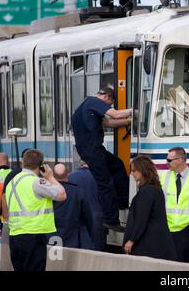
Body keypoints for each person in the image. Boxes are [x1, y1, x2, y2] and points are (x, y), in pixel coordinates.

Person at [71, 87, 133, 230]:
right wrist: (135, 112)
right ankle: (111, 220)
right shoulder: (93, 101)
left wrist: (129, 122)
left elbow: (109, 123)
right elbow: (115, 115)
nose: (109, 106)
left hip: (95, 149)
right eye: (110, 103)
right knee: (105, 182)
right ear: (106, 97)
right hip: (91, 150)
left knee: (117, 165)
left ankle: (123, 202)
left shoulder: (88, 106)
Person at [6, 149, 66, 271]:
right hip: (33, 236)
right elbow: (62, 195)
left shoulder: (12, 182)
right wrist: (50, 176)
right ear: (41, 165)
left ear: (23, 162)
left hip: (14, 236)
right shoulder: (36, 182)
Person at [123, 156, 177, 260]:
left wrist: (131, 240)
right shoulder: (156, 189)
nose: (132, 174)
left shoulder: (146, 192)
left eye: (134, 170)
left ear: (143, 170)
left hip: (148, 242)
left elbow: (141, 219)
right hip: (158, 241)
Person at [47, 164, 94, 249]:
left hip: (52, 236)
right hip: (72, 238)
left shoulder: (47, 192)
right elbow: (88, 217)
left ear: (53, 175)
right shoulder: (78, 192)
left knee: (54, 260)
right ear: (68, 174)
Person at [69, 160, 105, 251]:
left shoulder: (71, 176)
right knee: (97, 246)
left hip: (77, 215)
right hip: (96, 215)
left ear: (80, 163)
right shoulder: (100, 176)